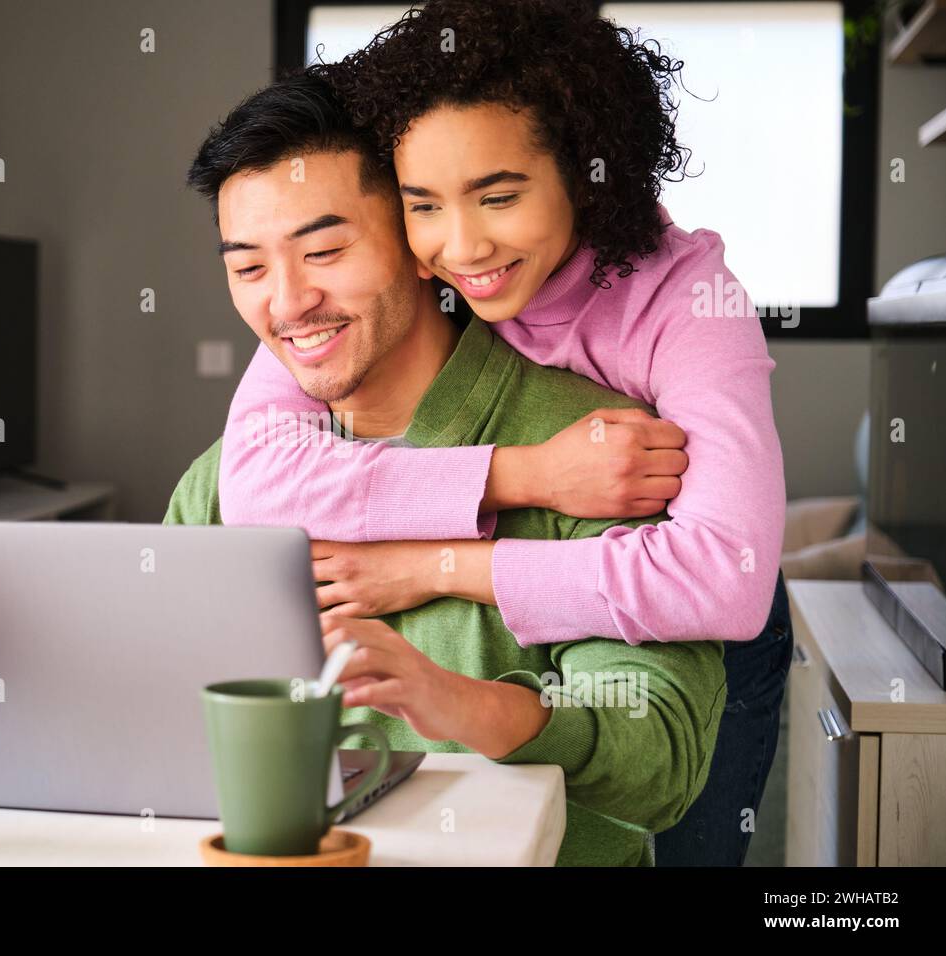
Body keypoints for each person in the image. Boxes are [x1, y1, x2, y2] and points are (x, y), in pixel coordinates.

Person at [211, 0, 793, 865]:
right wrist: (526, 476)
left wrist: (429, 566)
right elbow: (253, 482)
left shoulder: (685, 305)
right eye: (423, 206)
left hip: (699, 615)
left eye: (499, 196)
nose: (462, 246)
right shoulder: (378, 294)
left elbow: (725, 582)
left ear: (585, 176)